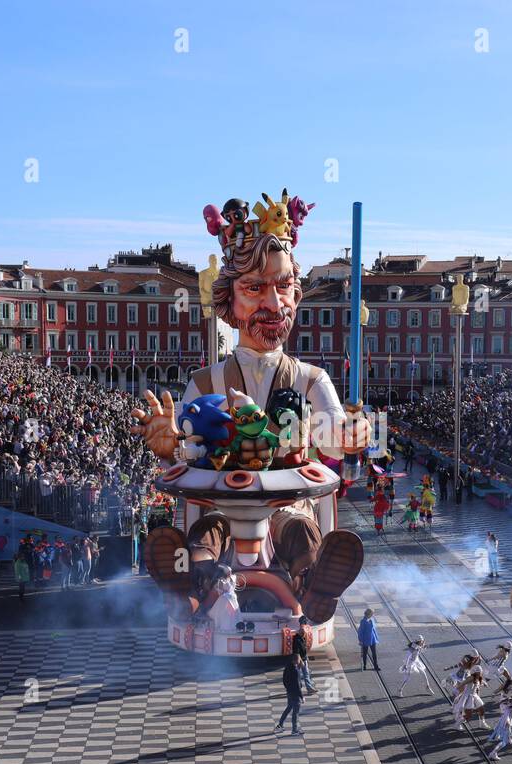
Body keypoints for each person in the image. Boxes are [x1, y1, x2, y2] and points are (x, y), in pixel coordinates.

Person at [134, 208, 369, 626]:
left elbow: (328, 430)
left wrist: (350, 432)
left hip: (286, 503)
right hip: (223, 501)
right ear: (231, 301)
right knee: (206, 535)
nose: (273, 303)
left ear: (296, 294)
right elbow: (189, 446)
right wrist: (170, 445)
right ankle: (191, 586)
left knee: (300, 534)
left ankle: (313, 583)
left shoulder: (311, 378)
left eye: (283, 286)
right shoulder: (205, 381)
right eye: (255, 288)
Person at [276, 654, 304, 736]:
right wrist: (302, 697)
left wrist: (287, 688)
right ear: (295, 660)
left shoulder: (287, 667)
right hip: (295, 694)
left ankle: (280, 725)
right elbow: (297, 685)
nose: (300, 661)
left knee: (289, 708)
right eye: (299, 660)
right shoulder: (295, 670)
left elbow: (284, 680)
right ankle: (294, 730)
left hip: (289, 692)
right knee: (295, 712)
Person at [293, 616, 316, 694]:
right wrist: (300, 660)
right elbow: (296, 651)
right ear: (299, 631)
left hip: (304, 658)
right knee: (298, 675)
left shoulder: (302, 638)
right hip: (300, 660)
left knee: (306, 674)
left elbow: (304, 648)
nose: (303, 633)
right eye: (302, 631)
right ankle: (297, 688)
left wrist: (306, 657)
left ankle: (309, 688)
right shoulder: (296, 639)